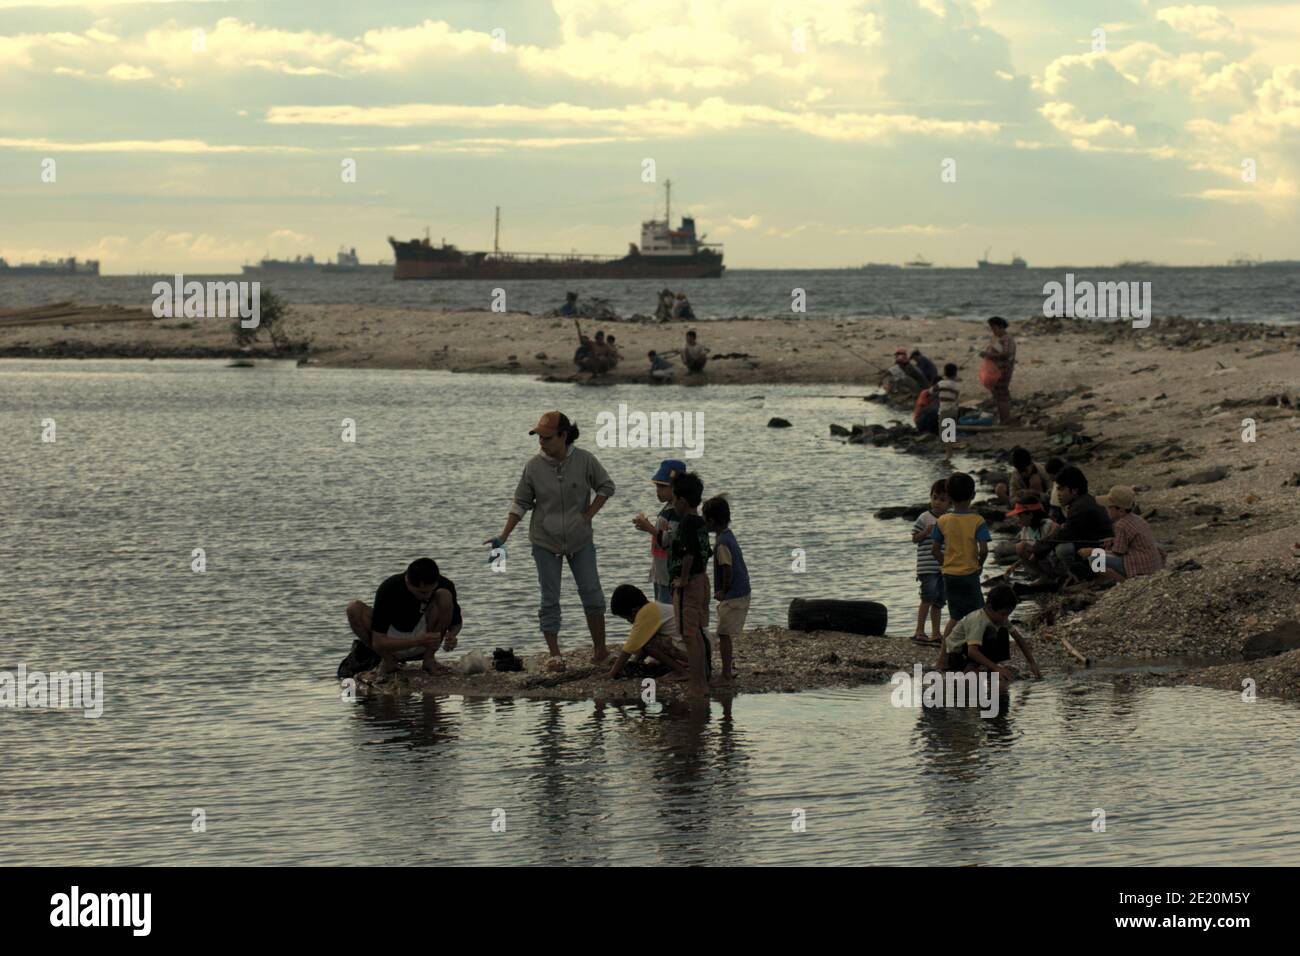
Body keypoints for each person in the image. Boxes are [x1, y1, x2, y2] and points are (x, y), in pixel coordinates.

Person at [486, 411, 615, 664]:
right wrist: (503, 536)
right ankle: (555, 656)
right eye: (539, 438)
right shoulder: (533, 466)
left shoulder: (585, 460)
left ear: (563, 435)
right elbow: (521, 503)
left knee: (592, 593)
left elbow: (606, 487)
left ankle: (600, 650)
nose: (541, 443)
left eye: (546, 438)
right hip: (545, 541)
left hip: (580, 540)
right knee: (549, 598)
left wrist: (588, 515)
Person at [343, 558, 462, 676]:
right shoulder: (390, 587)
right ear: (407, 581)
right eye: (422, 592)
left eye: (431, 590)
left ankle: (429, 660)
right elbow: (378, 642)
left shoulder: (445, 584)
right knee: (354, 608)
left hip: (427, 642)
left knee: (444, 595)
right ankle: (389, 661)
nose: (428, 596)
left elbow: (456, 624)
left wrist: (451, 636)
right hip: (394, 641)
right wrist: (418, 640)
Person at [930, 472, 992, 641]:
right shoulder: (978, 521)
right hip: (970, 573)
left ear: (949, 496)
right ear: (973, 495)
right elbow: (984, 550)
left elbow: (935, 549)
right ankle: (977, 647)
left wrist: (945, 564)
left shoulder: (942, 520)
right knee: (979, 612)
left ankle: (944, 654)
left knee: (955, 615)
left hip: (949, 575)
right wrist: (980, 564)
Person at [938, 585, 1041, 682]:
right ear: (990, 608)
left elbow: (1018, 638)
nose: (1005, 618)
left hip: (972, 650)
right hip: (957, 654)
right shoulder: (978, 620)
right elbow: (972, 651)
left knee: (1002, 632)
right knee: (990, 633)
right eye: (1003, 614)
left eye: (1008, 615)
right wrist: (996, 668)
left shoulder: (1000, 619)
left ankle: (987, 665)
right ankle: (970, 668)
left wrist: (1032, 663)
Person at [669, 471, 712, 695]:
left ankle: (698, 684)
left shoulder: (687, 523)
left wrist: (683, 580)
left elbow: (688, 554)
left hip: (690, 583)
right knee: (696, 632)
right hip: (702, 579)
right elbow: (706, 551)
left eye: (674, 499)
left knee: (689, 635)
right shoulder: (701, 523)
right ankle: (702, 681)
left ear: (682, 501)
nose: (673, 503)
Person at [1034, 465, 1113, 583]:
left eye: (1061, 489)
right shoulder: (1083, 501)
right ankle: (1081, 576)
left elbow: (1064, 535)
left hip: (1100, 555)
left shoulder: (1080, 507)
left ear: (1074, 491)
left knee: (1063, 549)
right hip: (1098, 550)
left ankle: (1089, 578)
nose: (1058, 494)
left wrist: (1039, 548)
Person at [703, 495, 750, 684]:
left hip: (733, 595)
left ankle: (726, 674)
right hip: (741, 591)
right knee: (725, 634)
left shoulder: (721, 543)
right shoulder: (729, 536)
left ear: (712, 521)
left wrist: (723, 591)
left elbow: (727, 568)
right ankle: (727, 671)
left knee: (723, 635)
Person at [1079, 485, 1164, 583]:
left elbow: (1118, 553)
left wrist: (1092, 551)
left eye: (1110, 507)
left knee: (1094, 561)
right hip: (1152, 564)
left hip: (1141, 566)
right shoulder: (1137, 518)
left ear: (1121, 510)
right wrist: (1113, 541)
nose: (1107, 509)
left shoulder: (1121, 525)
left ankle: (1124, 582)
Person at [606, 585, 691, 681]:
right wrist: (635, 662)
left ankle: (683, 672)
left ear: (634, 611)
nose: (629, 622)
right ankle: (683, 667)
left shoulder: (645, 613)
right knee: (645, 640)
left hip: (688, 649)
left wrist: (611, 674)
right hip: (695, 647)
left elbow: (628, 649)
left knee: (647, 644)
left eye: (627, 618)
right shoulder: (654, 608)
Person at [633, 459, 685, 604]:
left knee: (670, 614)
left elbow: (670, 541)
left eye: (662, 487)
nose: (658, 491)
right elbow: (662, 536)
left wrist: (649, 528)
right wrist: (647, 527)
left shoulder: (677, 513)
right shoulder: (667, 509)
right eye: (657, 487)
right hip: (660, 573)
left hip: (669, 577)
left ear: (676, 488)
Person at [912, 479, 951, 645]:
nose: (937, 502)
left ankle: (936, 632)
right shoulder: (924, 517)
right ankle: (919, 630)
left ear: (950, 502)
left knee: (939, 600)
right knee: (927, 597)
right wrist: (926, 532)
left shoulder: (950, 519)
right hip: (927, 566)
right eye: (935, 497)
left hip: (944, 566)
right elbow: (914, 538)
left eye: (942, 500)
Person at [1008, 497, 1057, 579]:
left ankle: (1048, 577)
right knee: (1020, 547)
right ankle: (1043, 576)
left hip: (1053, 562)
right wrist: (1014, 566)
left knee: (1020, 546)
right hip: (1041, 561)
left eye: (1020, 517)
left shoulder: (1048, 525)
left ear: (1030, 515)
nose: (1017, 520)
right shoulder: (1025, 530)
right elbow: (1027, 555)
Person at [979, 316, 1016, 424]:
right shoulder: (1000, 339)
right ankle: (1003, 419)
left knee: (1002, 396)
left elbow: (1006, 354)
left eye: (994, 328)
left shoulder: (1007, 339)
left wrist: (988, 354)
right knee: (999, 395)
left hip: (1003, 371)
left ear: (1000, 327)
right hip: (997, 371)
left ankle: (1005, 420)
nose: (993, 331)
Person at [935, 363, 960, 432]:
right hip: (954, 411)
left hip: (944, 411)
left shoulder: (941, 383)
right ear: (955, 373)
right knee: (950, 433)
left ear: (945, 372)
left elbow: (931, 391)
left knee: (944, 435)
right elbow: (956, 397)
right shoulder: (957, 385)